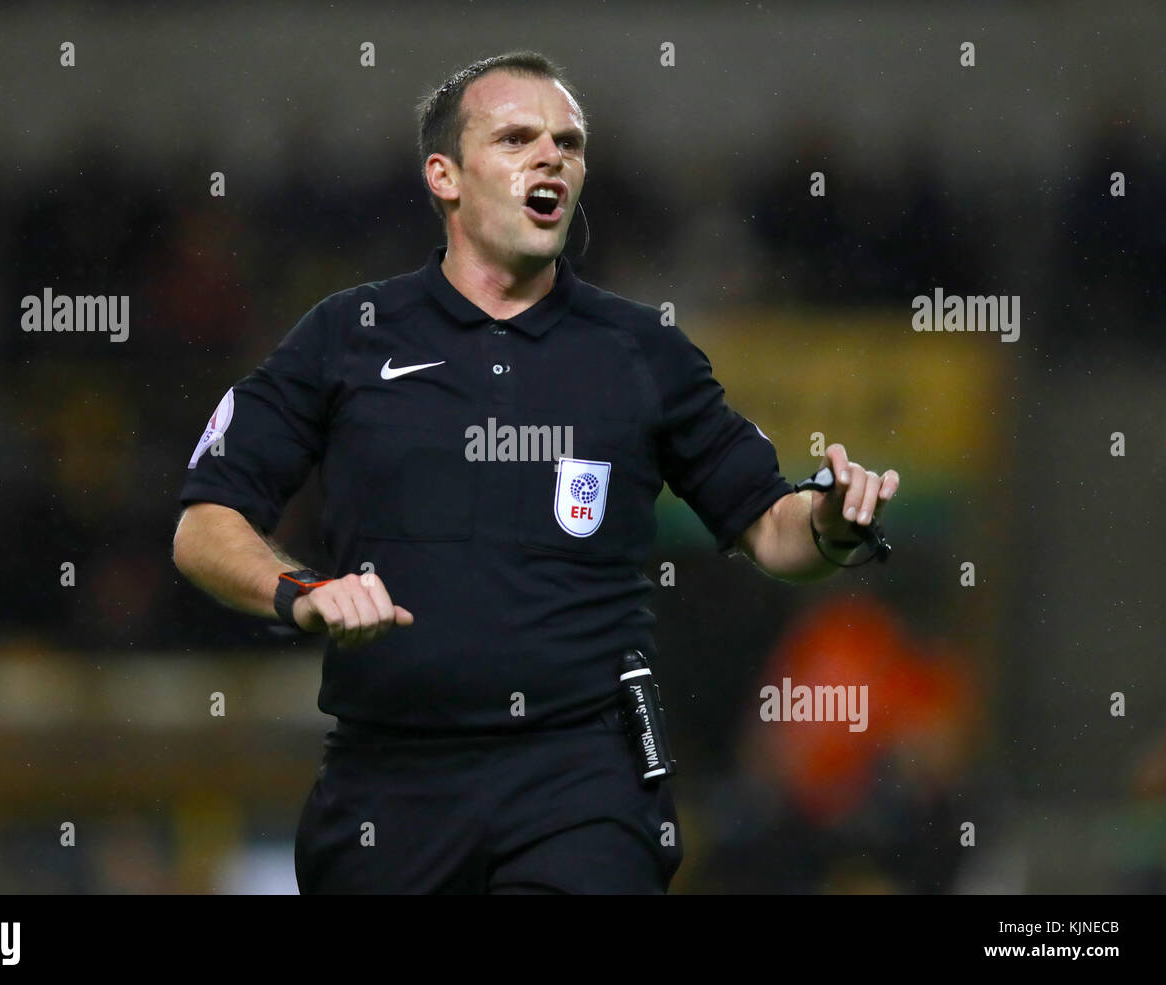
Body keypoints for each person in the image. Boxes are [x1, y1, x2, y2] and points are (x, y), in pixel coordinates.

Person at [172, 51, 899, 894]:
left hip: (582, 779)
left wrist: (831, 520)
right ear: (444, 176)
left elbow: (771, 527)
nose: (551, 156)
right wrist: (300, 589)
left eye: (569, 141)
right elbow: (203, 522)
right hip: (391, 781)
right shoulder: (349, 335)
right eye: (517, 137)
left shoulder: (643, 352)